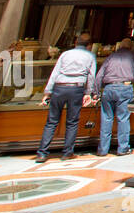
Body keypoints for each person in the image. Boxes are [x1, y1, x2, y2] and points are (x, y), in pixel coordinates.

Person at [36, 33, 97, 162]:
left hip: (59, 87)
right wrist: (88, 93)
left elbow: (55, 72)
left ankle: (42, 153)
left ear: (76, 43)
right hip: (76, 88)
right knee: (72, 121)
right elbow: (91, 76)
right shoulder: (90, 56)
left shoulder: (65, 54)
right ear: (90, 46)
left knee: (52, 121)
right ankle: (67, 152)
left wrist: (47, 92)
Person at [92, 38, 134, 157]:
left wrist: (95, 93)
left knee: (106, 118)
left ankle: (102, 149)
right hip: (124, 88)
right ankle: (122, 148)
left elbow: (99, 75)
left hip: (109, 88)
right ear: (131, 47)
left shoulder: (111, 57)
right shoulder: (133, 56)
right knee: (123, 118)